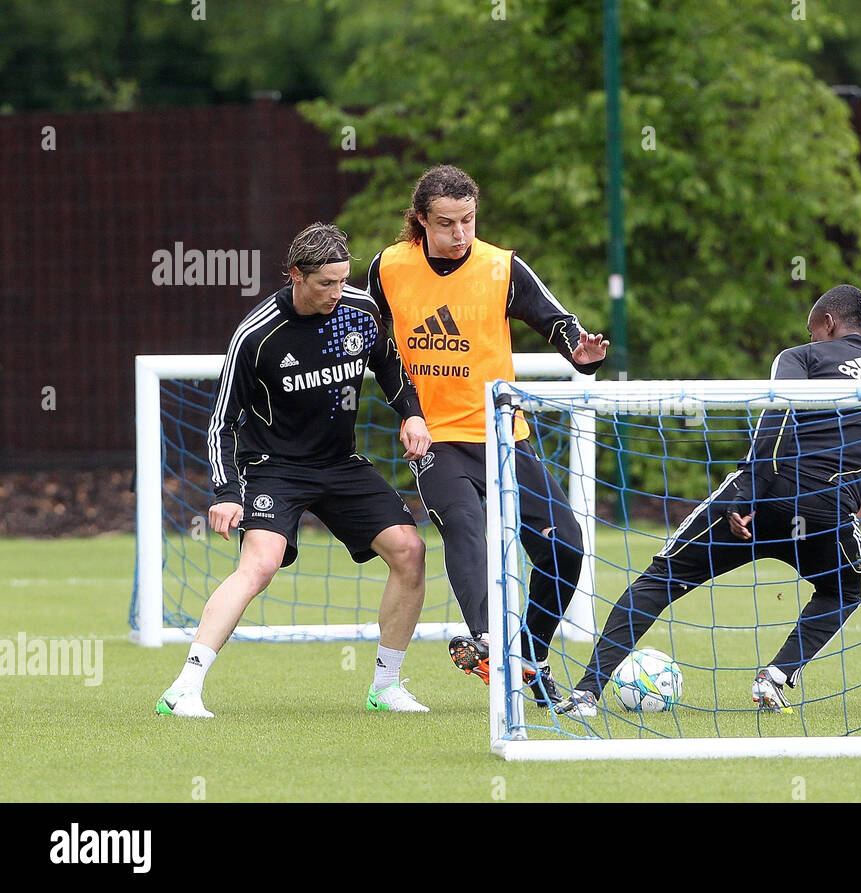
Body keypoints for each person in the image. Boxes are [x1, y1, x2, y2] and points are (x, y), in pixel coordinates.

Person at [555, 284, 861, 717]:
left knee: (657, 581)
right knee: (843, 590)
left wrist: (745, 495)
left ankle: (587, 693)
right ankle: (775, 677)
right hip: (828, 516)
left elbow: (777, 420)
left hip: (761, 501)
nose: (811, 338)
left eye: (813, 331)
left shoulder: (801, 358)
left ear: (828, 324)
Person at [155, 223, 433, 718]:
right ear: (295, 276)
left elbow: (390, 366)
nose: (335, 293)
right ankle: (184, 687)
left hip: (339, 463)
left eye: (342, 280)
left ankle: (385, 686)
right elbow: (222, 422)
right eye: (325, 283)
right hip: (273, 467)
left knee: (410, 550)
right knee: (259, 565)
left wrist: (411, 413)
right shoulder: (257, 334)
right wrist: (224, 492)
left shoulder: (360, 310)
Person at [368, 165, 607, 705]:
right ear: (422, 221)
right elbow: (371, 339)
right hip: (438, 439)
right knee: (465, 523)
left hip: (504, 435)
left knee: (566, 550)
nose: (460, 234)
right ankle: (488, 641)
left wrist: (579, 350)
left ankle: (529, 654)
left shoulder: (502, 267)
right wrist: (408, 411)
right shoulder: (389, 266)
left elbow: (555, 319)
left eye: (469, 220)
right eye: (447, 223)